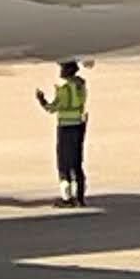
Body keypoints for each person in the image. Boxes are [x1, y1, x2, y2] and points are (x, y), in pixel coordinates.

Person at [39, 60, 89, 204]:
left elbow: (52, 108)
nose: (60, 71)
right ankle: (79, 198)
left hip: (65, 128)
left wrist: (42, 101)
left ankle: (67, 198)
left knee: (64, 164)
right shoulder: (81, 87)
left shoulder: (65, 90)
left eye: (62, 68)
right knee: (77, 163)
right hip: (78, 126)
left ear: (68, 70)